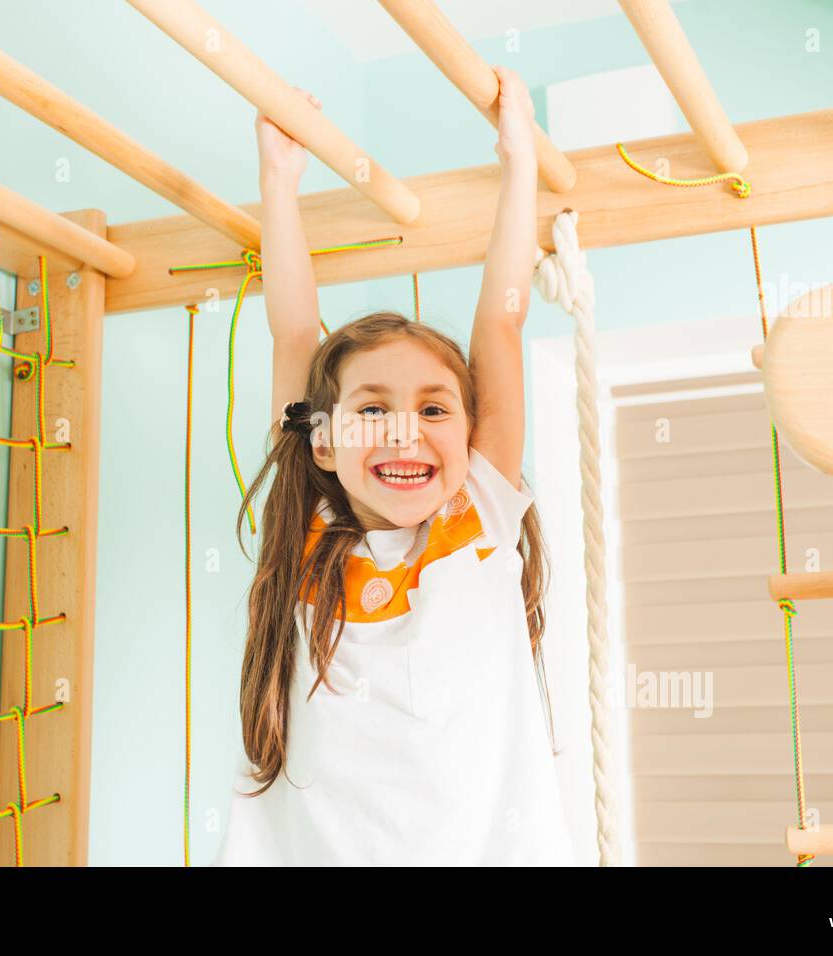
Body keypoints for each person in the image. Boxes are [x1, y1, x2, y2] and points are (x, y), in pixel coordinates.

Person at [212, 66, 574, 865]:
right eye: (373, 409)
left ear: (474, 434)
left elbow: (501, 326)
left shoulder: (479, 506)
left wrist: (519, 167)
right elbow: (295, 331)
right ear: (326, 438)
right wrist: (280, 178)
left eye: (435, 409)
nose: (406, 435)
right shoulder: (309, 541)